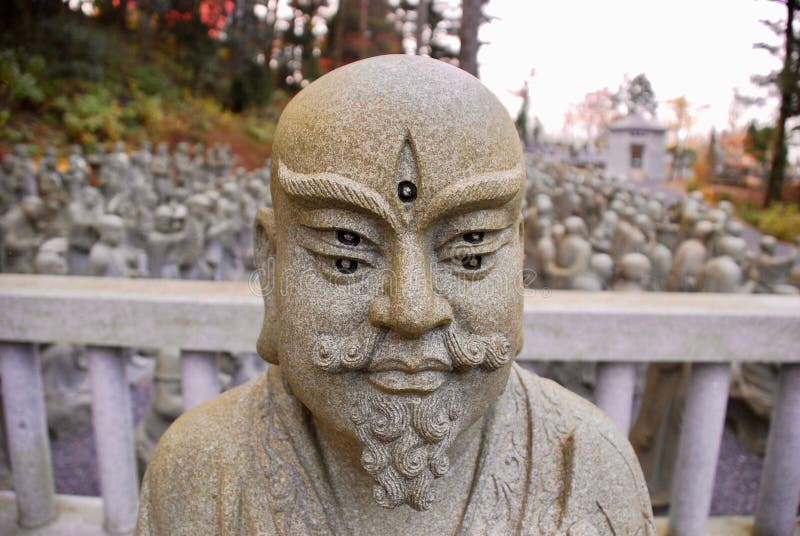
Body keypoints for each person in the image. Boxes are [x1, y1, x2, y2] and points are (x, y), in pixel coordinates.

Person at [136, 55, 654, 535]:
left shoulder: (586, 465)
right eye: (346, 256)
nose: (411, 311)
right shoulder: (198, 467)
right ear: (270, 265)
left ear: (517, 255)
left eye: (471, 253)